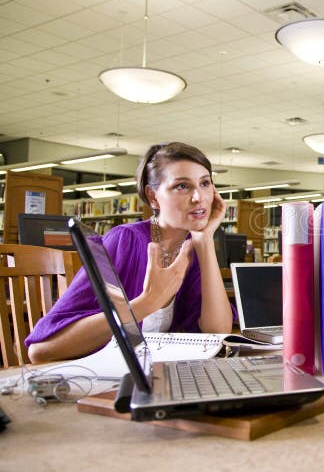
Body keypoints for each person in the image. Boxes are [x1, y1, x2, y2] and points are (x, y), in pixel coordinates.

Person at [26, 142, 233, 363]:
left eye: (205, 183)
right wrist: (148, 302)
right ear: (153, 197)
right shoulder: (125, 240)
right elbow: (41, 351)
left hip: (157, 376)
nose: (198, 197)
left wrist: (205, 240)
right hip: (102, 378)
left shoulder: (192, 247)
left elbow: (218, 332)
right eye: (182, 186)